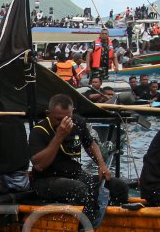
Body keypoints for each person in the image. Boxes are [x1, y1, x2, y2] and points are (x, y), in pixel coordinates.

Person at [28, 94, 128, 222]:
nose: (64, 123)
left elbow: (90, 144)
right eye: (58, 119)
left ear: (72, 113)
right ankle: (85, 226)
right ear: (48, 114)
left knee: (119, 186)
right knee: (80, 189)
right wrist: (59, 136)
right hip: (47, 180)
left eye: (67, 118)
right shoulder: (39, 131)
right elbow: (39, 165)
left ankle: (113, 221)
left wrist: (101, 165)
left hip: (75, 175)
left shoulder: (78, 122)